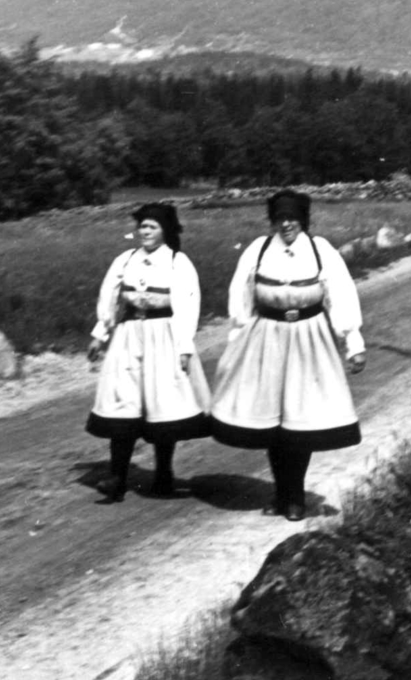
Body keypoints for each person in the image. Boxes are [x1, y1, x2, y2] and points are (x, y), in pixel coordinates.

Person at [209, 189, 367, 521]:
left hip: (309, 340)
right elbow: (241, 298)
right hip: (266, 338)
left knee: (300, 420)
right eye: (280, 218)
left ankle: (294, 496)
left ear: (304, 220)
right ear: (272, 221)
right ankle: (281, 493)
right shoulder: (258, 251)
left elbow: (341, 295)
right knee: (271, 422)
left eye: (292, 218)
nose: (286, 225)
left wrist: (353, 342)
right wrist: (236, 344)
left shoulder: (321, 251)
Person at [86, 203, 212, 502]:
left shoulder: (177, 263)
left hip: (163, 338)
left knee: (162, 406)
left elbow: (187, 308)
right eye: (142, 226)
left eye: (152, 227)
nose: (145, 232)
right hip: (129, 336)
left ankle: (164, 475)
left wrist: (183, 347)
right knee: (122, 404)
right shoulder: (125, 260)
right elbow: (112, 300)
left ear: (165, 231)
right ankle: (117, 478)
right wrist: (100, 335)